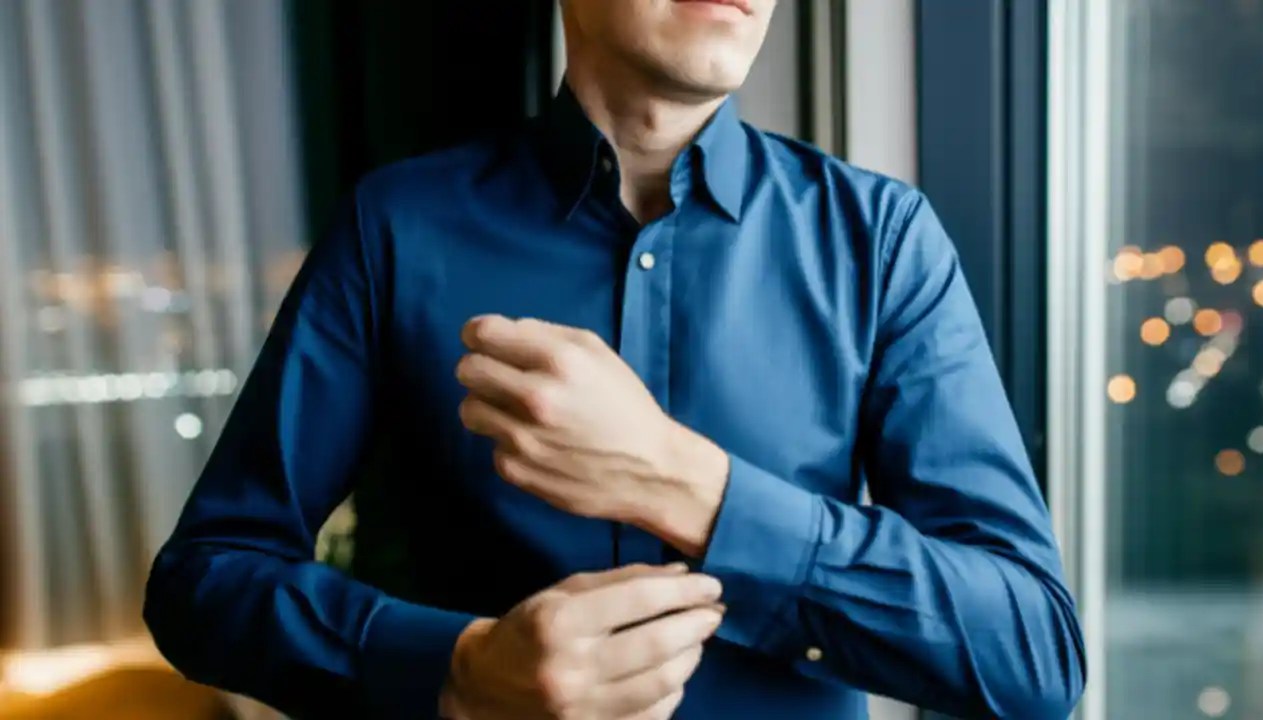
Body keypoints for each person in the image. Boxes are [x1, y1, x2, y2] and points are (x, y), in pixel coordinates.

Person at [143, 0, 1087, 718]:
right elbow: (204, 582)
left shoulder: (883, 241)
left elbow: (1032, 655)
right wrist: (459, 672)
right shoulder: (395, 227)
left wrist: (688, 486)